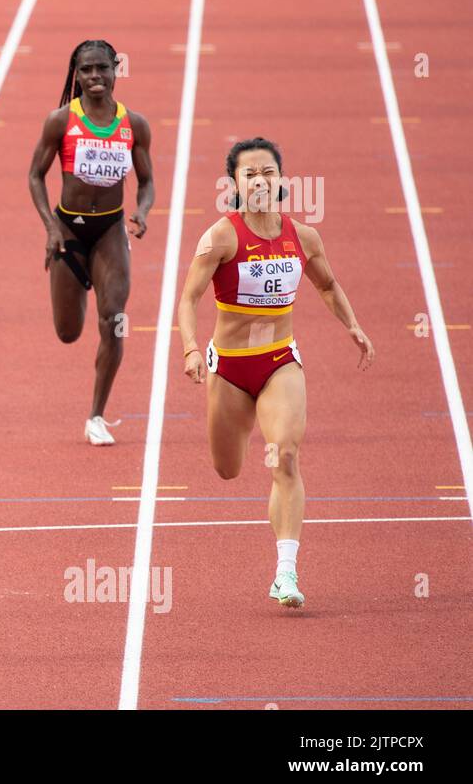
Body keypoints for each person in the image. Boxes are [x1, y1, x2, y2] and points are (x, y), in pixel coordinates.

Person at [177, 137, 374, 607]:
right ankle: (242, 429)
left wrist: (352, 325)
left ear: (282, 179)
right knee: (228, 470)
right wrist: (189, 349)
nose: (261, 181)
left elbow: (327, 285)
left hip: (279, 362)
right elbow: (188, 299)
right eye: (251, 174)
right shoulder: (220, 237)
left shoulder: (303, 237)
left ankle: (285, 571)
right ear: (235, 185)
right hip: (229, 369)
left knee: (284, 456)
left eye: (269, 172)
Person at [28, 39, 154, 445]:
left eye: (102, 68)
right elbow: (35, 176)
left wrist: (143, 210)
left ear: (116, 69)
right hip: (68, 233)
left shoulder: (134, 124)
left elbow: (148, 180)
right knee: (68, 332)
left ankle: (96, 416)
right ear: (75, 74)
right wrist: (50, 227)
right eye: (85, 70)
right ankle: (78, 283)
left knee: (114, 320)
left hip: (110, 233)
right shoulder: (60, 121)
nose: (95, 77)